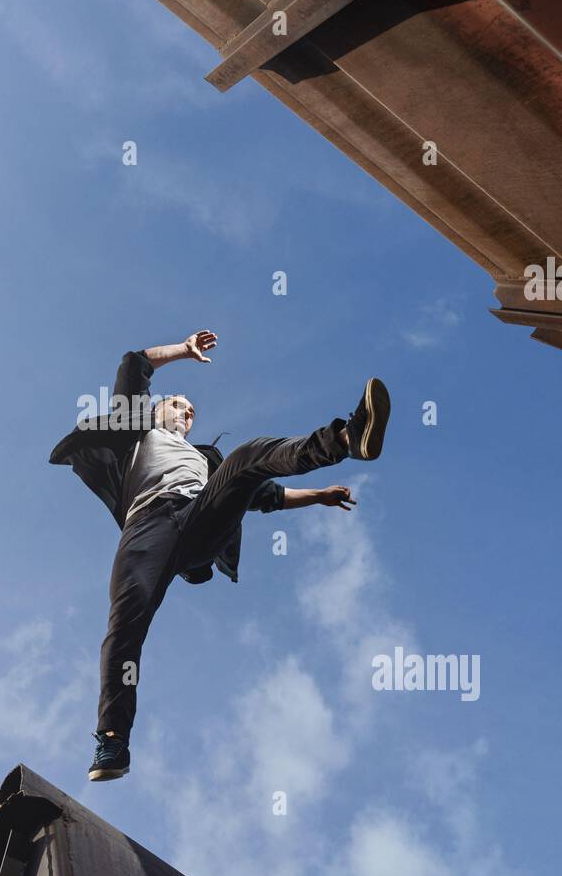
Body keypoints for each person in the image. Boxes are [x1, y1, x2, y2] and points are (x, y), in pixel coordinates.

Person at [49, 331, 390, 781]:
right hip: (146, 528)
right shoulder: (132, 431)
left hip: (198, 521)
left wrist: (319, 496)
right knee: (125, 626)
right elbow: (133, 364)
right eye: (179, 406)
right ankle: (112, 741)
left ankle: (346, 438)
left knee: (247, 456)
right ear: (155, 409)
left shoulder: (205, 460)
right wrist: (183, 351)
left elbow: (266, 495)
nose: (187, 413)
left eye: (191, 412)